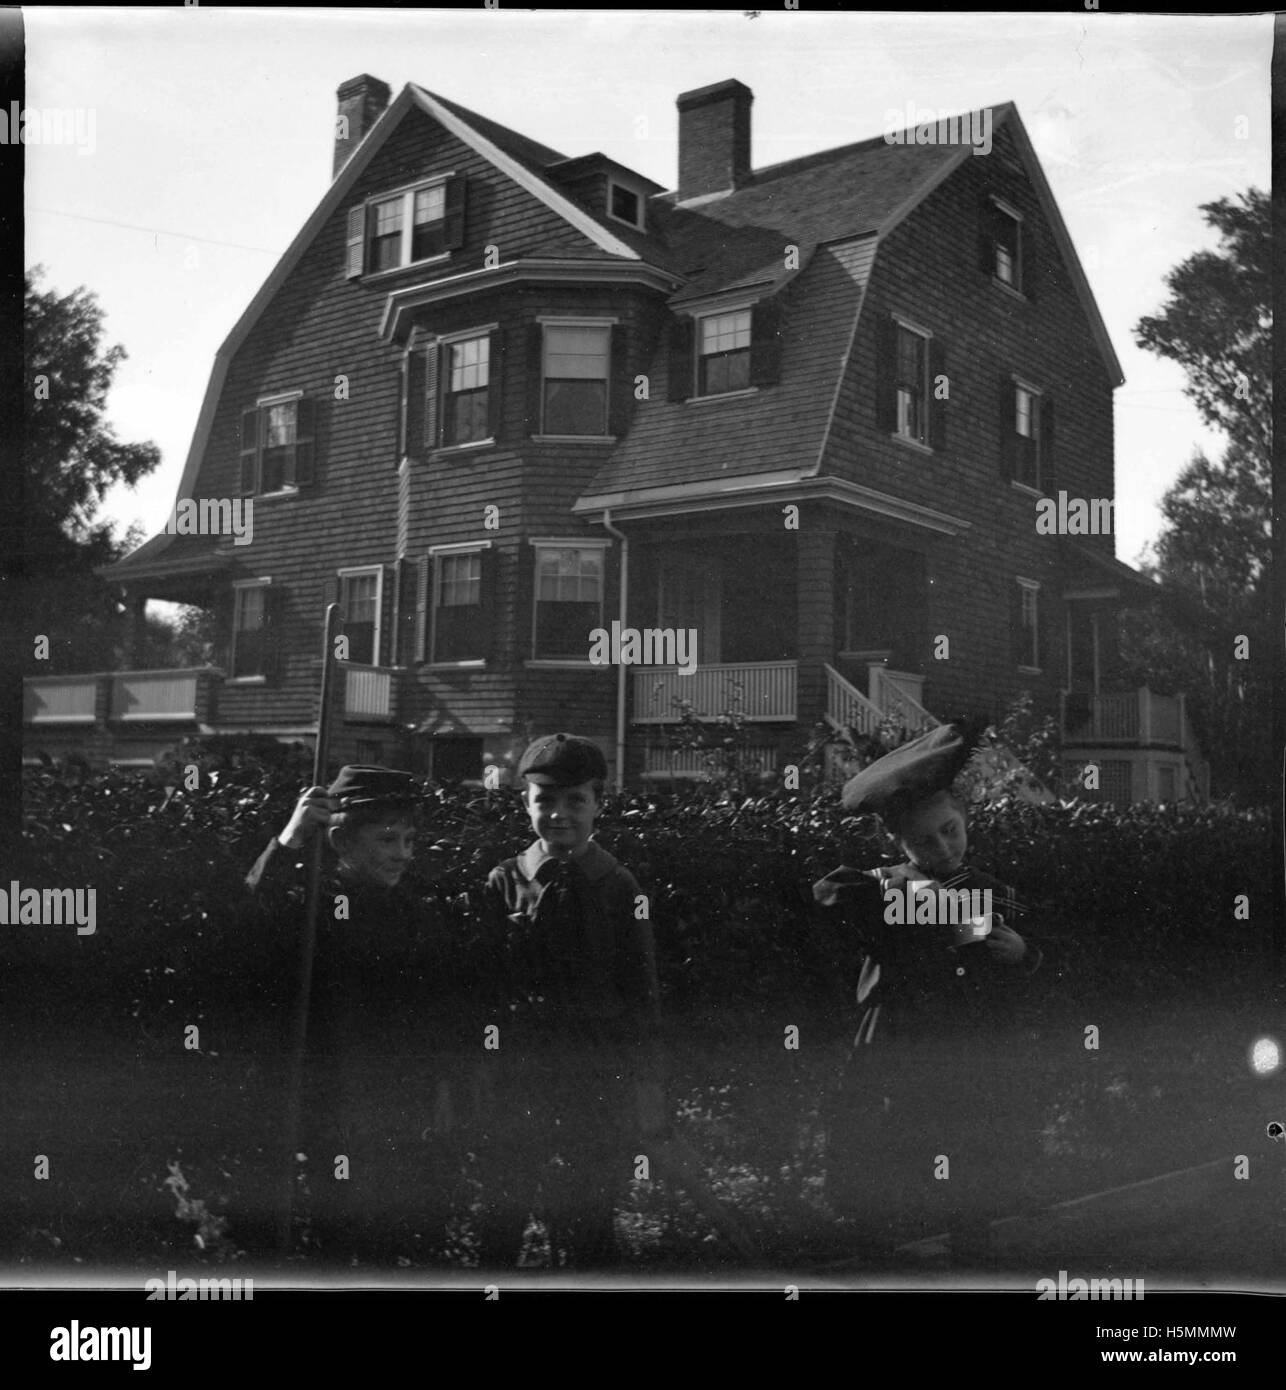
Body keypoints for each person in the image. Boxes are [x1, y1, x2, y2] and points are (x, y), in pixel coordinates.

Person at [811, 722, 1044, 1265]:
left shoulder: (989, 891)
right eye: (923, 840)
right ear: (899, 843)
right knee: (894, 1156)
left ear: (966, 822)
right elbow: (831, 897)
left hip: (968, 1050)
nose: (941, 848)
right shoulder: (878, 885)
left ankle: (971, 1252)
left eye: (951, 831)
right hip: (898, 1047)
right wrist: (921, 897)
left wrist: (1023, 954)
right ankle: (890, 1256)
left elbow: (1016, 962)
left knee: (969, 1160)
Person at [244, 765, 470, 1262]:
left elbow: (439, 1013)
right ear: (342, 840)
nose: (404, 854)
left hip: (401, 1103)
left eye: (410, 839)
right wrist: (290, 839)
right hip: (332, 1101)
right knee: (341, 1232)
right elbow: (255, 912)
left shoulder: (416, 912)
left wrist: (443, 1088)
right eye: (388, 839)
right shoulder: (315, 905)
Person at [475, 733, 665, 1268]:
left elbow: (642, 992)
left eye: (575, 801)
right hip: (519, 1074)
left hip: (595, 1074)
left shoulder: (621, 887)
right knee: (502, 1209)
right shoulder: (505, 882)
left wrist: (647, 1085)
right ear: (525, 805)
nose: (559, 814)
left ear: (598, 804)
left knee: (587, 1214)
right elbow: (485, 990)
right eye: (544, 801)